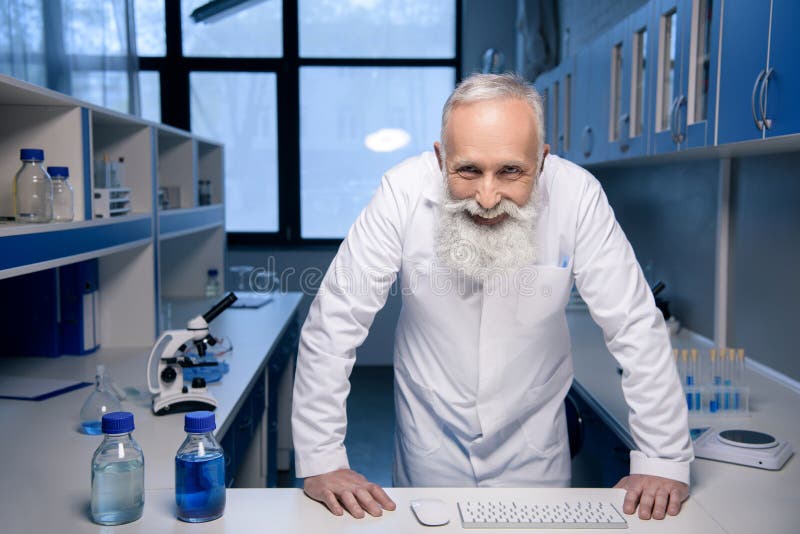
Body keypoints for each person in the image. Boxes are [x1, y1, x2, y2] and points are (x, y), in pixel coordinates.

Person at [292, 73, 692, 521]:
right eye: (468, 170)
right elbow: (334, 322)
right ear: (441, 158)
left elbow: (634, 322)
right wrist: (323, 458)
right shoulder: (401, 191)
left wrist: (663, 458)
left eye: (510, 171)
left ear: (541, 161)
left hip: (533, 445)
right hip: (430, 441)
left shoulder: (577, 194)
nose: (487, 196)